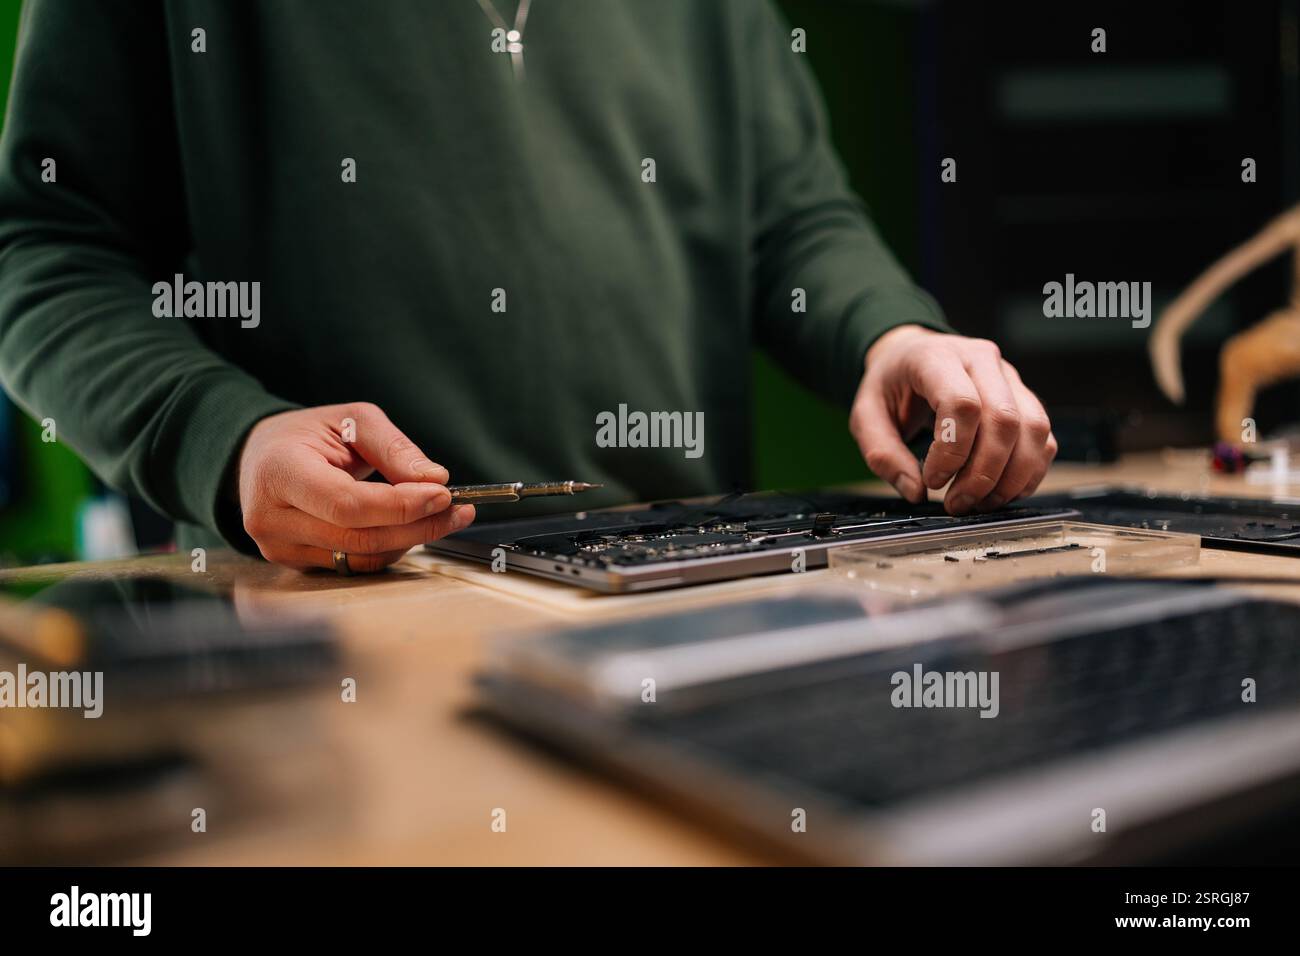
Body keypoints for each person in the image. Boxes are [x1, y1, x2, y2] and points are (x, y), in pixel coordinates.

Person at [0, 0, 1055, 573]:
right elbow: (42, 252)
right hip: (339, 616)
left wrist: (886, 333)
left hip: (691, 592)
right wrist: (221, 440)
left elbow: (790, 220)